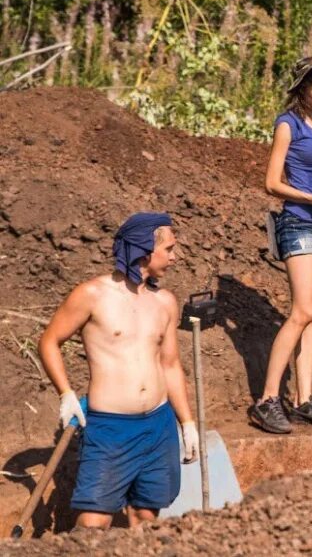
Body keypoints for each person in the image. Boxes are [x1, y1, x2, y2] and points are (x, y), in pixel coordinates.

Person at [38, 212, 197, 529]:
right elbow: (49, 341)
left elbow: (170, 364)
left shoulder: (165, 302)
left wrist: (187, 422)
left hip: (158, 425)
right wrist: (66, 393)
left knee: (146, 517)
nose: (175, 257)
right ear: (143, 248)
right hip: (110, 429)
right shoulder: (93, 295)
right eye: (169, 248)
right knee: (92, 524)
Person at [249, 57, 312, 433]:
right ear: (302, 89)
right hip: (299, 221)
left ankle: (303, 399)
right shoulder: (286, 125)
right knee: (301, 309)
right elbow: (272, 183)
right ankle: (267, 399)